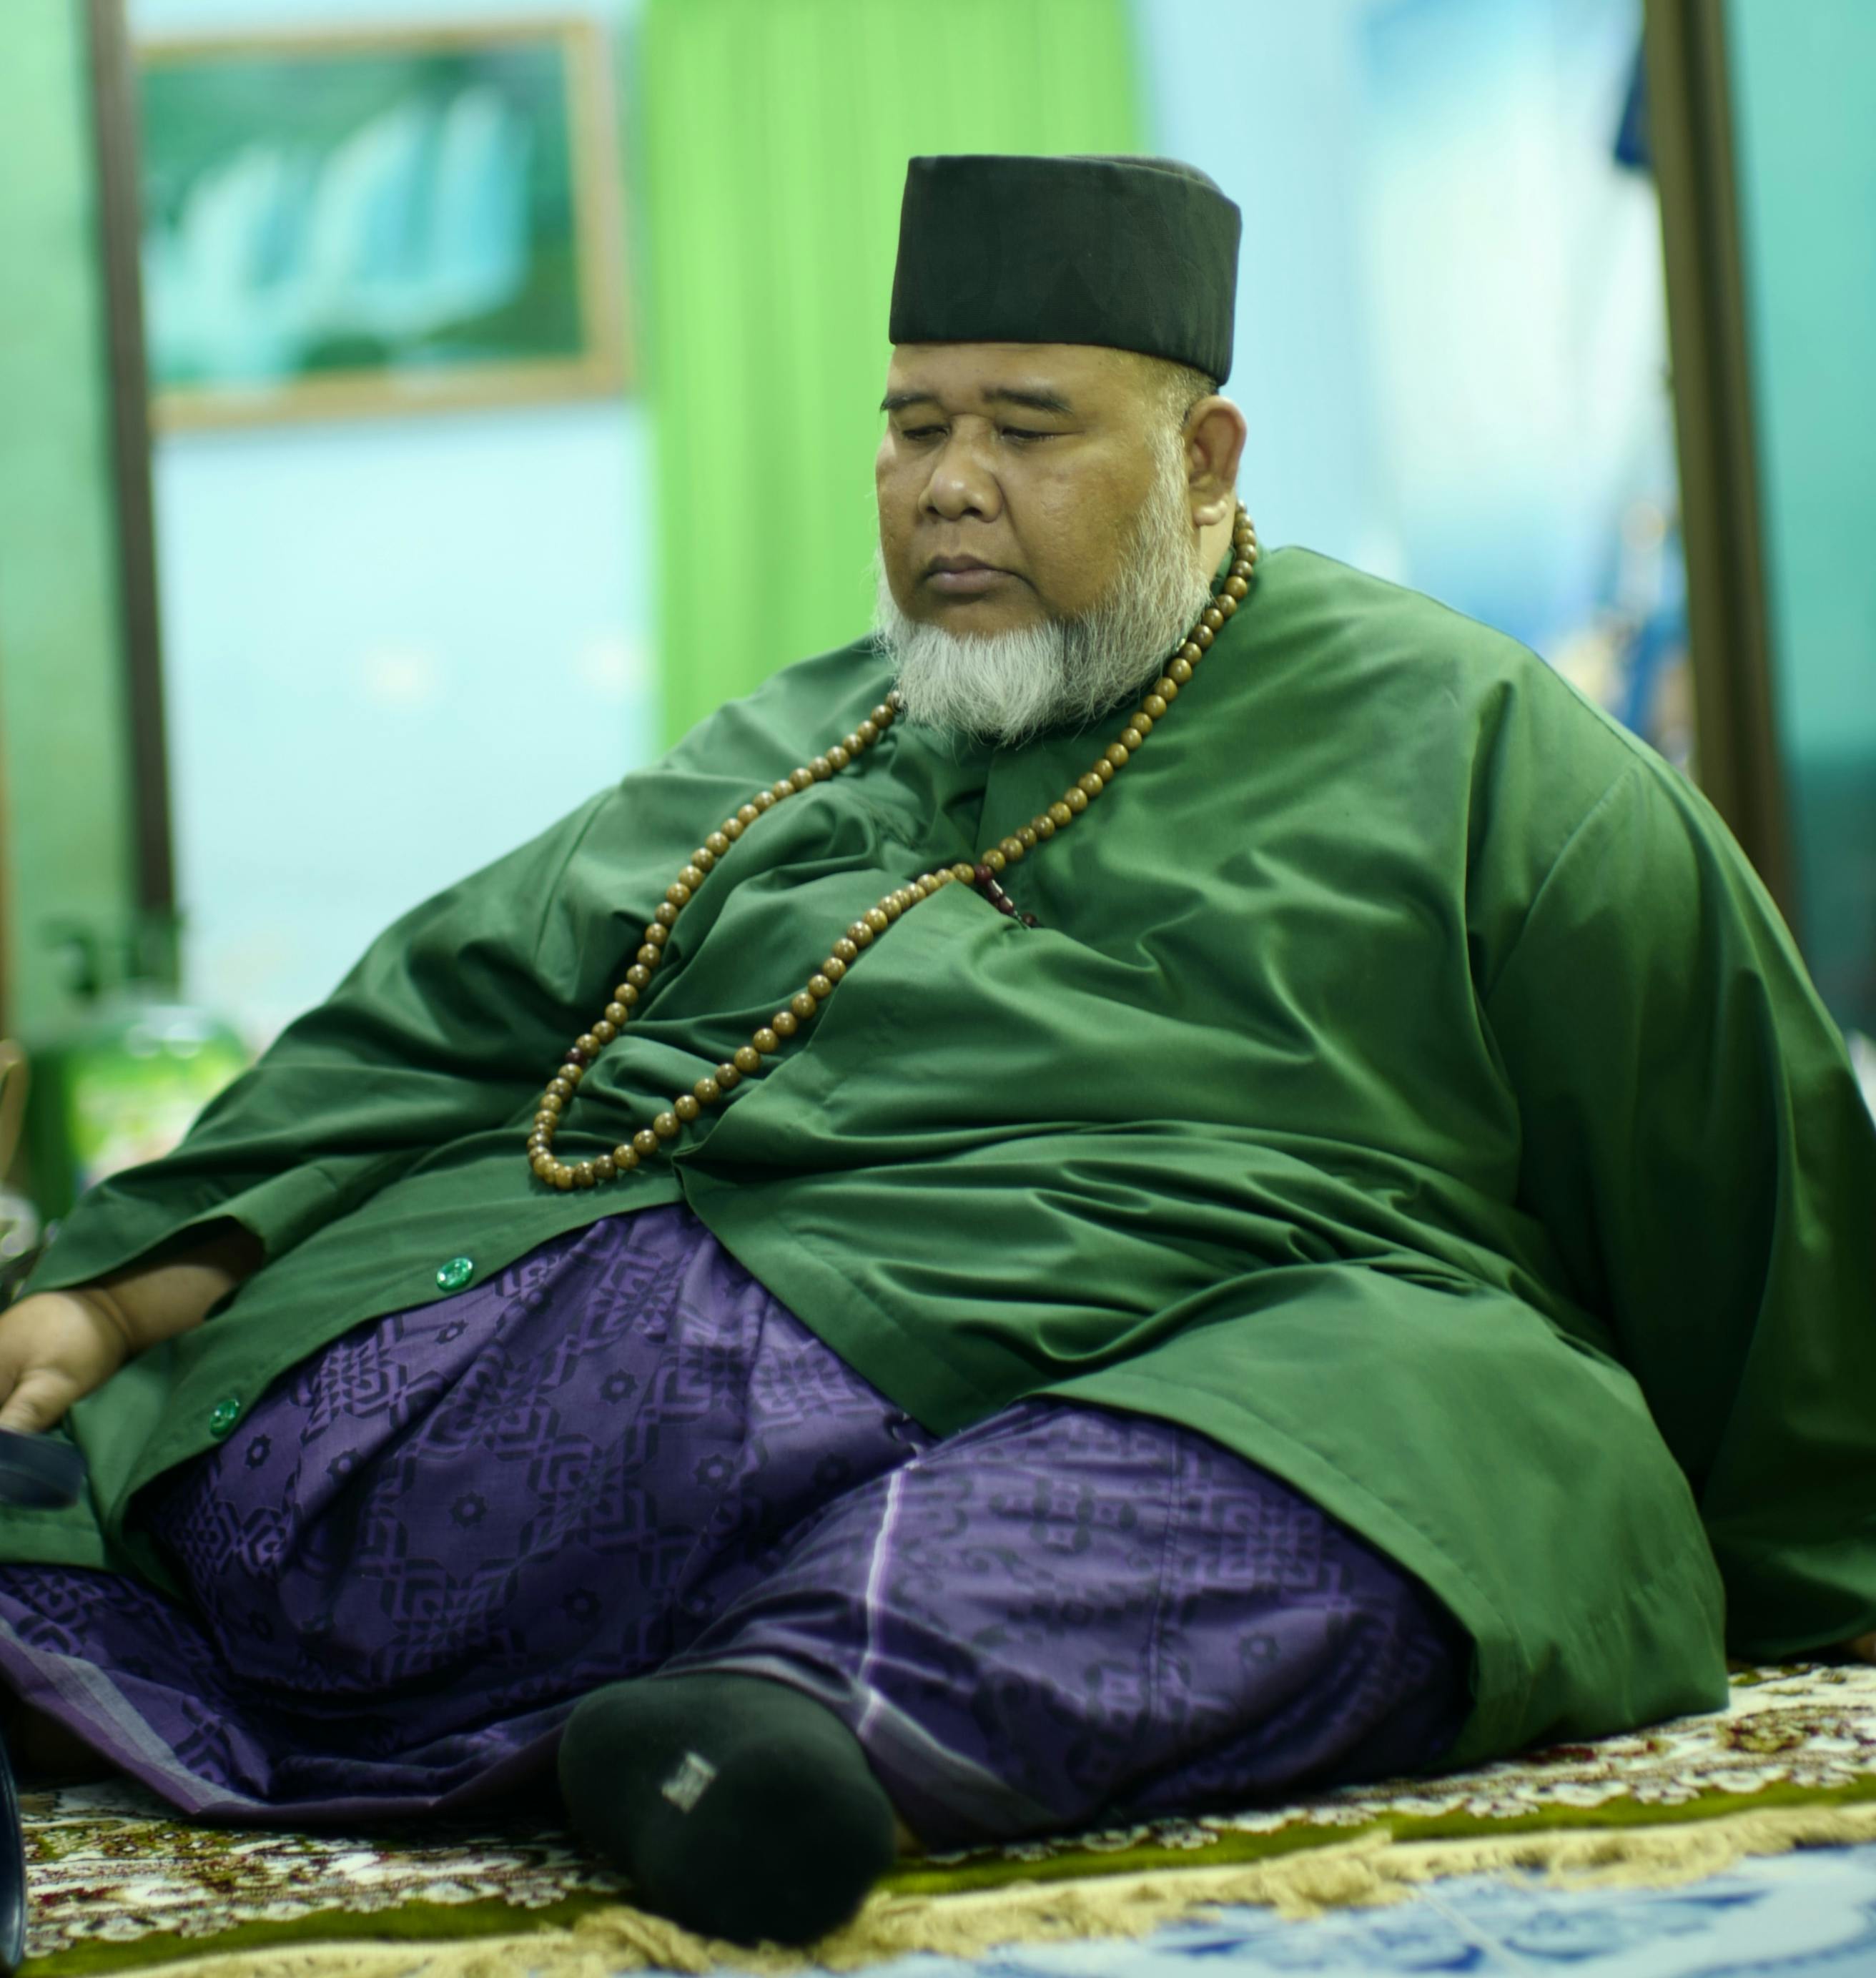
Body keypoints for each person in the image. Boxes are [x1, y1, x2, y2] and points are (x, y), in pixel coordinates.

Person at [0, 153, 1870, 1956]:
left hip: (1155, 1376)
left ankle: (787, 1727)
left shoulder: (1481, 753)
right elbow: (454, 998)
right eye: (914, 428)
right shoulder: (813, 731)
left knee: (1497, 1427)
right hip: (500, 1388)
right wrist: (101, 1297)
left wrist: (1822, 1571)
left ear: (1203, 460)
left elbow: (1731, 1169)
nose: (949, 487)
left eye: (1027, 429)